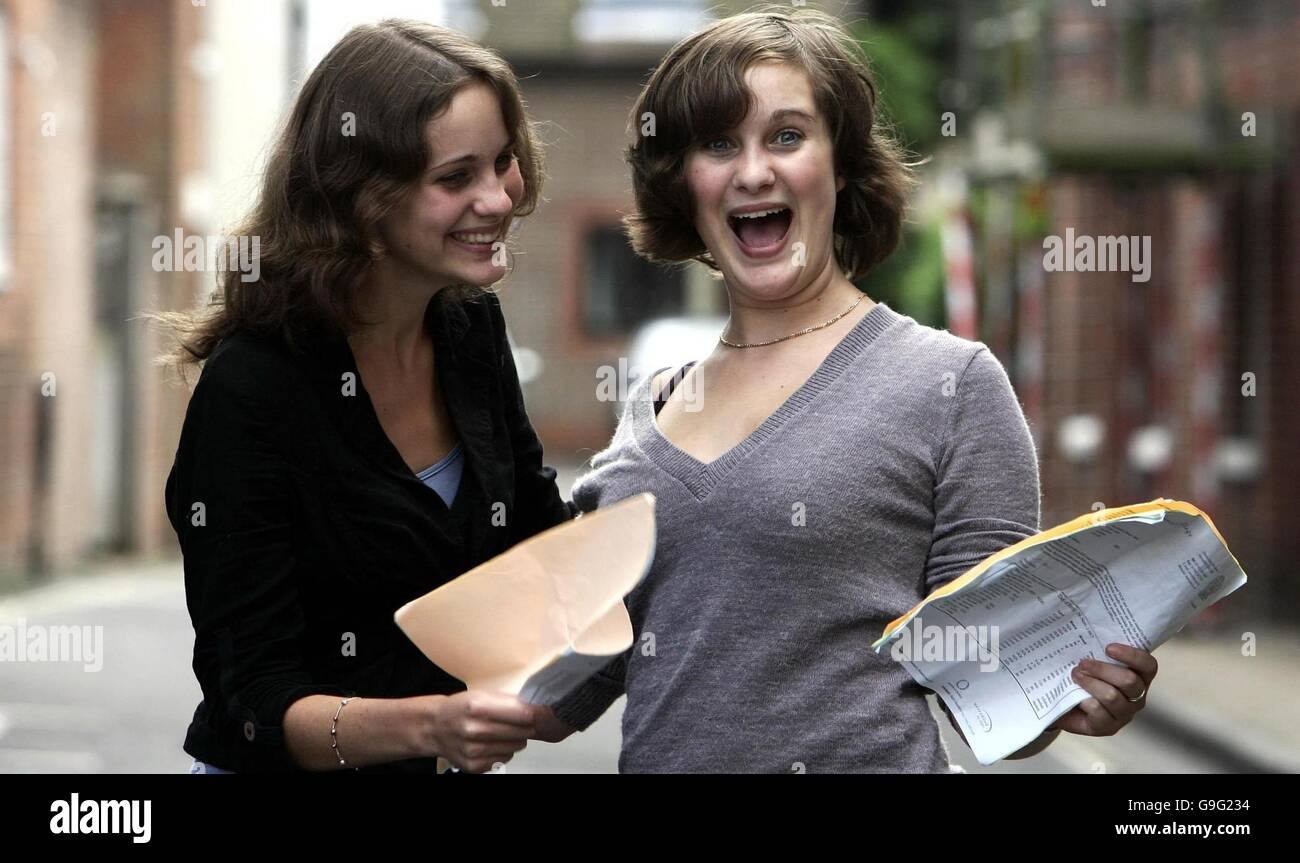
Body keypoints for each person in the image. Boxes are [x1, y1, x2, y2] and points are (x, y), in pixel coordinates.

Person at [533, 8, 1158, 772]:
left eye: (787, 136)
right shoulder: (653, 406)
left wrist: (1075, 693)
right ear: (684, 183)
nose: (753, 170)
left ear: (840, 166)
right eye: (719, 143)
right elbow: (557, 690)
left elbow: (999, 695)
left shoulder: (950, 385)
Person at [162, 20, 572, 773]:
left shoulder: (468, 325)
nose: (498, 198)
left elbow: (535, 540)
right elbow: (254, 699)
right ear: (361, 202)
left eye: (503, 162)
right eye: (456, 178)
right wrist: (436, 724)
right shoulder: (252, 389)